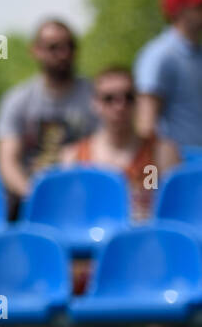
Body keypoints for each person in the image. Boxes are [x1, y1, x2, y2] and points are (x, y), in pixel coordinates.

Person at [0, 19, 98, 217]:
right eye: (54, 47)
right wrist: (33, 194)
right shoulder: (17, 100)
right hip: (30, 198)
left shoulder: (98, 99)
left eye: (69, 46)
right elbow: (7, 162)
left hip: (86, 196)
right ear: (35, 51)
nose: (63, 54)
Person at [62, 67, 157, 221]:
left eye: (128, 97)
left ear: (137, 101)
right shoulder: (73, 156)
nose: (120, 106)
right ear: (95, 103)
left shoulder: (160, 152)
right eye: (109, 98)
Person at [134, 0, 202, 169]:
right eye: (198, 5)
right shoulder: (159, 55)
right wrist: (151, 181)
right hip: (176, 166)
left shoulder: (197, 55)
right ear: (180, 11)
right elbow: (146, 125)